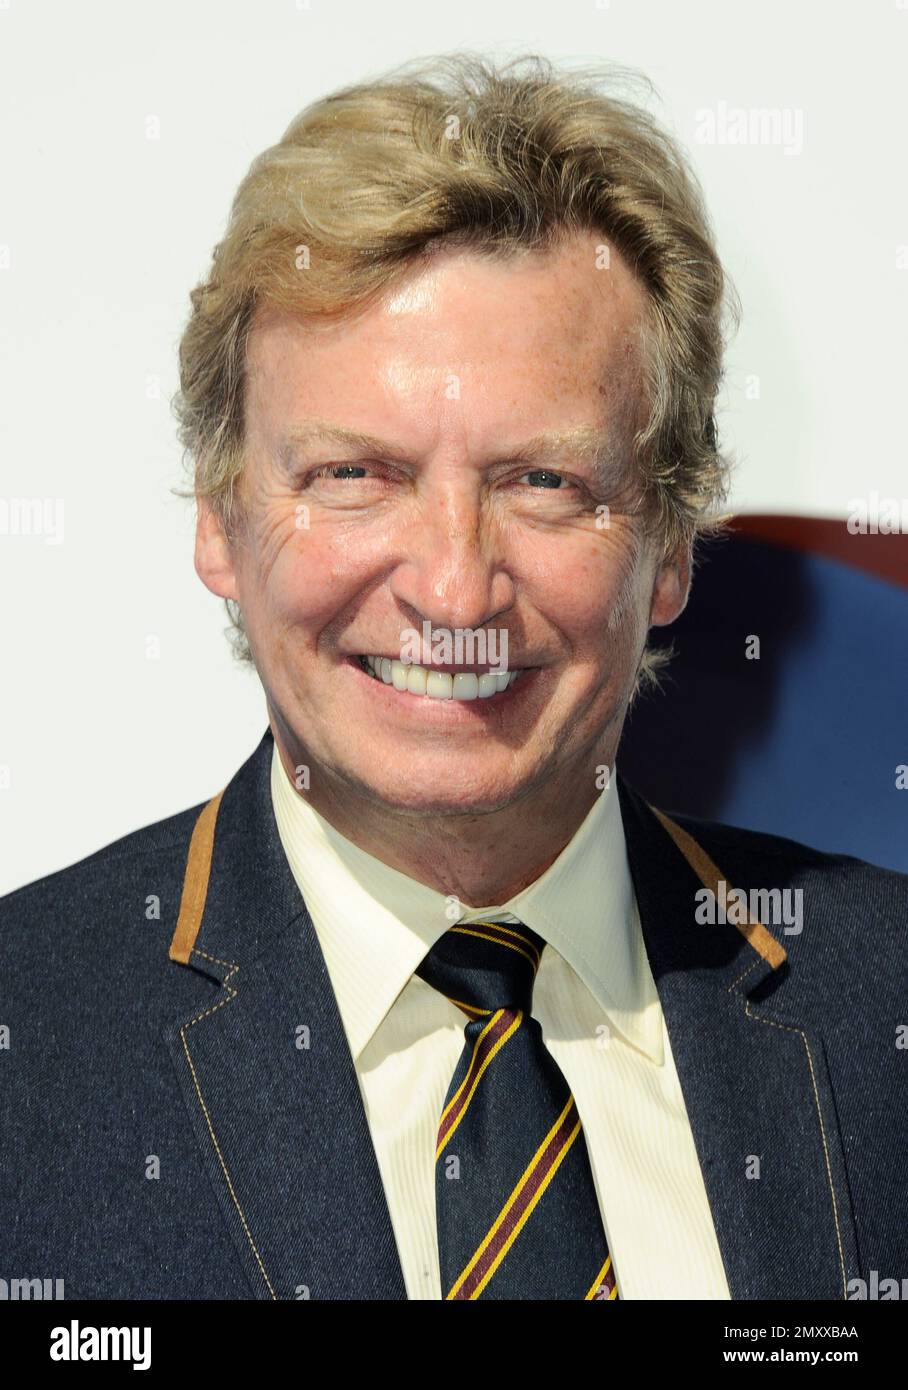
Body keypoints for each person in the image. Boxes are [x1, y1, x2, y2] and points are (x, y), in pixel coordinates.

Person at [2, 52, 905, 1302]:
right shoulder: (27, 1041)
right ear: (218, 522)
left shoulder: (883, 1005)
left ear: (668, 548)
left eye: (543, 481)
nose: (451, 587)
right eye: (353, 473)